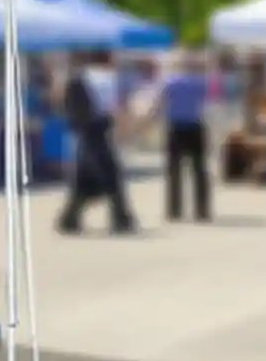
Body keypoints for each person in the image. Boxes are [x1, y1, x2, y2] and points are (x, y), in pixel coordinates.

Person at [57, 50, 137, 235]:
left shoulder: (80, 78)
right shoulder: (103, 79)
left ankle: (70, 218)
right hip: (96, 131)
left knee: (87, 179)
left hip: (87, 131)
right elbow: (113, 107)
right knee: (110, 175)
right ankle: (120, 217)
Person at [148, 51, 211, 223]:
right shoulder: (200, 82)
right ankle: (202, 209)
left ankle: (174, 209)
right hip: (195, 126)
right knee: (199, 169)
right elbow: (206, 101)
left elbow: (159, 103)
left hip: (175, 127)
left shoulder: (170, 82)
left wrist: (150, 120)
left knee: (174, 169)